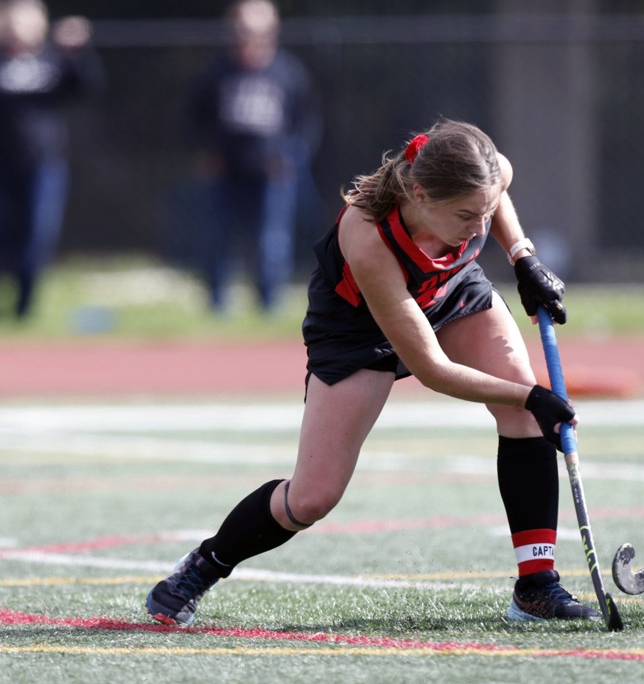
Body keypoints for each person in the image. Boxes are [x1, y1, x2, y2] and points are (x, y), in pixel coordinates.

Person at [146, 119, 600, 626]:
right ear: (421, 194)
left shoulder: (486, 176)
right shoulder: (367, 237)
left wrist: (522, 259)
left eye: (487, 212)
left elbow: (498, 192)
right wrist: (532, 396)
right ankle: (205, 564)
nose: (479, 227)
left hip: (451, 292)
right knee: (312, 497)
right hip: (358, 329)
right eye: (467, 215)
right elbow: (432, 369)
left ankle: (536, 587)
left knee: (521, 413)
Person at [183, 0, 321, 313]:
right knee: (218, 238)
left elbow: (307, 119)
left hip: (270, 171)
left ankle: (268, 305)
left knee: (271, 241)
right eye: (241, 28)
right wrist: (205, 152)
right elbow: (193, 116)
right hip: (225, 169)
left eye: (256, 29)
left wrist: (291, 157)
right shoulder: (217, 70)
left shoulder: (288, 70)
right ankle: (217, 304)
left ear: (271, 31)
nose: (247, 36)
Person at [0, 0, 102, 319]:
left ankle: (25, 306)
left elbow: (89, 89)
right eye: (13, 21)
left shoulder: (54, 60)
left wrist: (79, 53)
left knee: (37, 234)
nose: (19, 30)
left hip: (43, 163)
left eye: (27, 22)